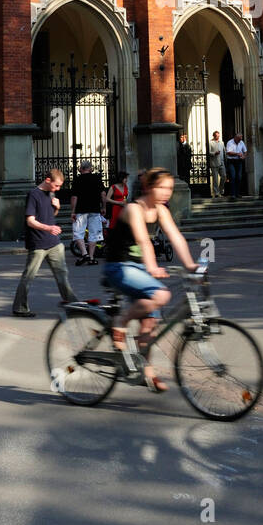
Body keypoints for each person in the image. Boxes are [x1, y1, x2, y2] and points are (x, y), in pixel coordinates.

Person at [103, 167, 199, 392]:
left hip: (137, 269)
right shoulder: (134, 208)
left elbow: (177, 238)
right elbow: (144, 241)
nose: (167, 193)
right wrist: (153, 267)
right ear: (148, 187)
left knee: (149, 324)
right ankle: (121, 322)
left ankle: (146, 371)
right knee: (162, 294)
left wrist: (191, 265)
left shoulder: (161, 211)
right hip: (119, 266)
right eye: (162, 188)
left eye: (170, 189)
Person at [13, 168, 76, 317]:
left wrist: (57, 208)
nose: (58, 189)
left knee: (62, 275)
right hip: (38, 244)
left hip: (54, 243)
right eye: (56, 186)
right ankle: (19, 307)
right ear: (48, 180)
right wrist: (49, 228)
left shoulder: (51, 193)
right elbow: (30, 221)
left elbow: (49, 215)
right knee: (28, 276)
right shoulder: (33, 195)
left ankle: (73, 304)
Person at [70, 160, 106, 266]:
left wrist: (73, 211)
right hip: (95, 210)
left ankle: (84, 254)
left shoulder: (77, 179)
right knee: (93, 234)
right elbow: (103, 194)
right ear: (91, 169)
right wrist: (103, 207)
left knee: (78, 233)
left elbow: (74, 197)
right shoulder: (97, 178)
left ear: (81, 169)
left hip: (81, 210)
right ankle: (91, 257)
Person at [226, 131, 247, 198]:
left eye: (240, 139)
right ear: (235, 137)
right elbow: (228, 152)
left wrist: (244, 156)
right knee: (233, 176)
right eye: (238, 139)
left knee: (239, 177)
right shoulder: (230, 142)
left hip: (239, 161)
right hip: (231, 161)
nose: (239, 141)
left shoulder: (241, 142)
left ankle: (237, 193)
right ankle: (232, 194)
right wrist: (237, 154)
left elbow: (245, 151)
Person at [208, 130, 226, 198]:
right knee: (215, 179)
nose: (218, 137)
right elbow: (209, 152)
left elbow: (224, 151)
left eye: (218, 136)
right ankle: (216, 193)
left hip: (222, 162)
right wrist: (214, 153)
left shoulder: (222, 143)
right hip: (214, 163)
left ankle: (221, 190)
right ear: (214, 136)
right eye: (216, 136)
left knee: (224, 176)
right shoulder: (210, 143)